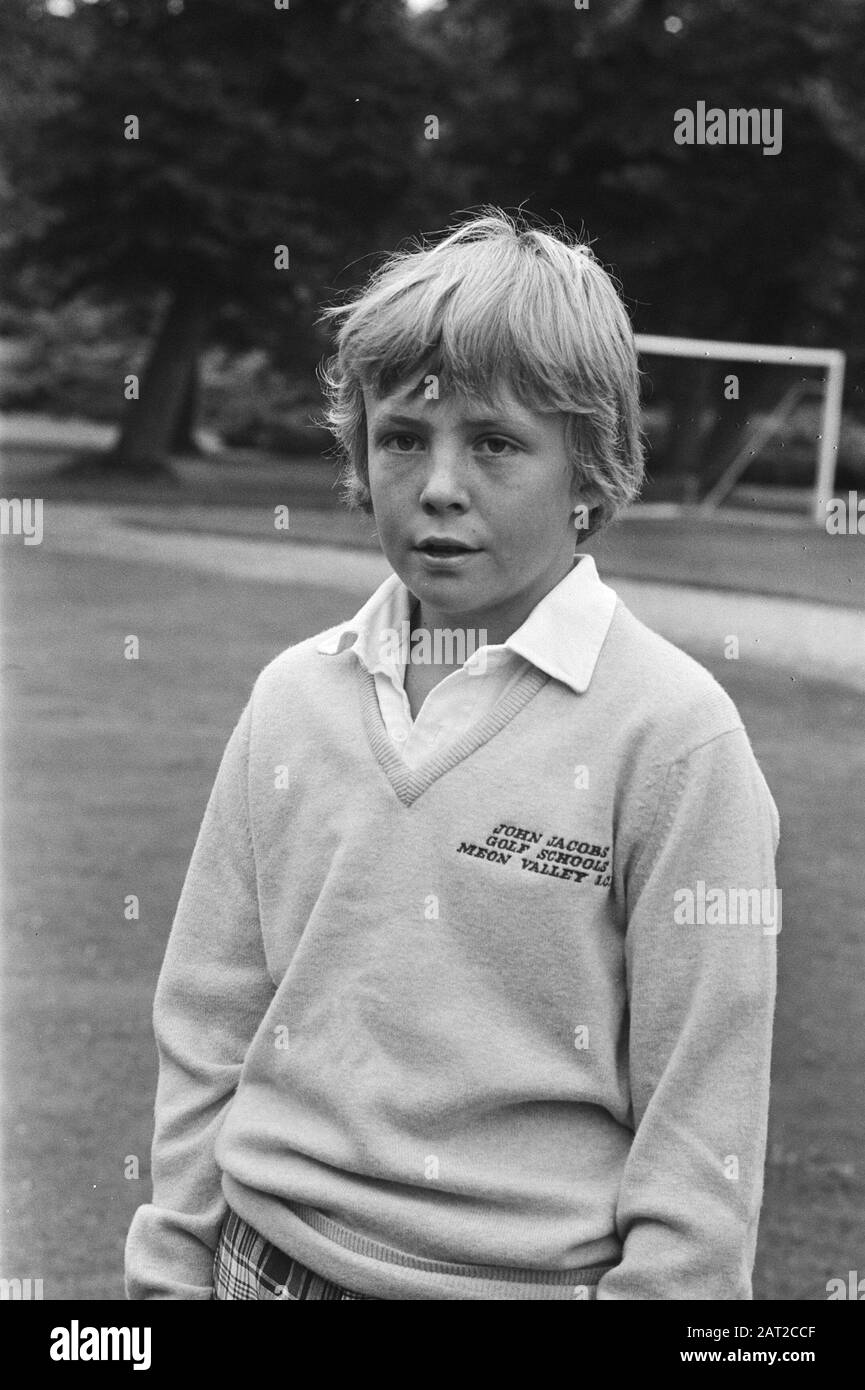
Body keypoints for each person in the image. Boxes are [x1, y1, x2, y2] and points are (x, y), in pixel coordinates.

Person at [125, 208, 779, 1300]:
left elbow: (703, 1109)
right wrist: (169, 1267)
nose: (437, 483)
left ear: (591, 469)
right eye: (401, 438)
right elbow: (209, 1019)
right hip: (259, 1264)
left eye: (493, 442)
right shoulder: (293, 698)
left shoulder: (673, 736)